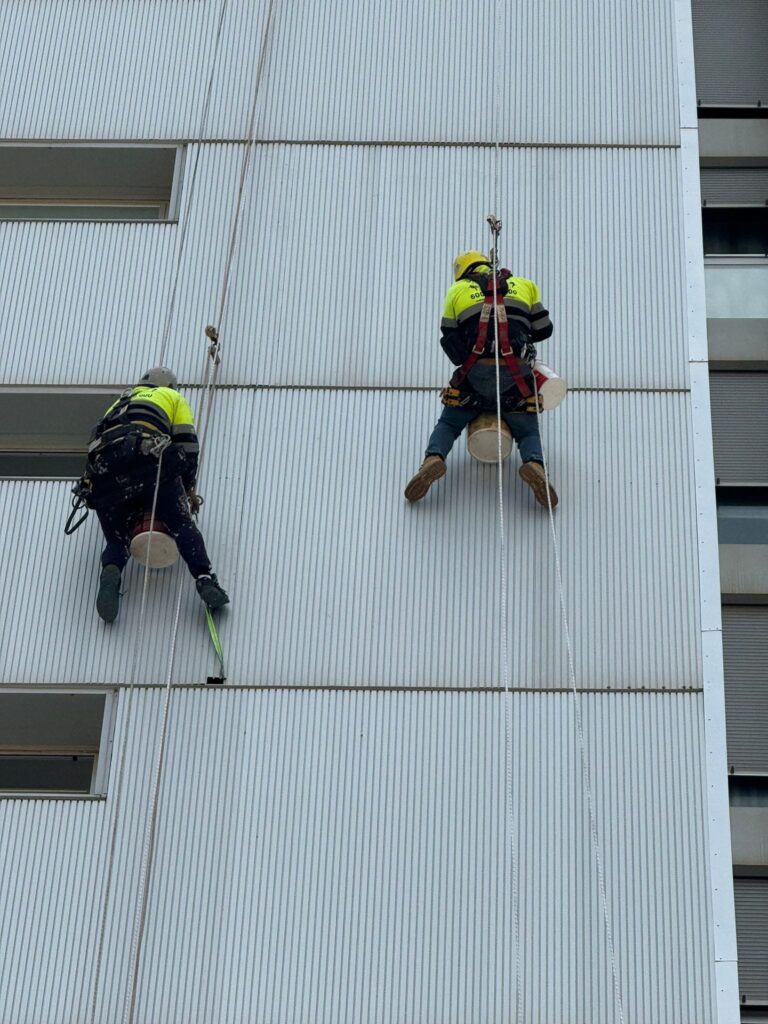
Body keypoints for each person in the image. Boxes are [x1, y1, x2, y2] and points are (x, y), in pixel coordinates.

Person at [404, 250, 559, 507]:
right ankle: (534, 463)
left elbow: (450, 340)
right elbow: (544, 329)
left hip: (475, 375)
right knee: (527, 428)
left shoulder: (456, 291)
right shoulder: (524, 285)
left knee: (450, 423)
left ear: (462, 272)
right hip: (516, 377)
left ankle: (433, 458)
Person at [83, 366, 229, 623]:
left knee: (117, 539)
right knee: (182, 524)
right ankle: (205, 579)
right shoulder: (172, 397)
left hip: (104, 475)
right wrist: (187, 486)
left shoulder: (121, 401)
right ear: (170, 385)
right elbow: (186, 442)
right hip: (148, 464)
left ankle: (111, 570)